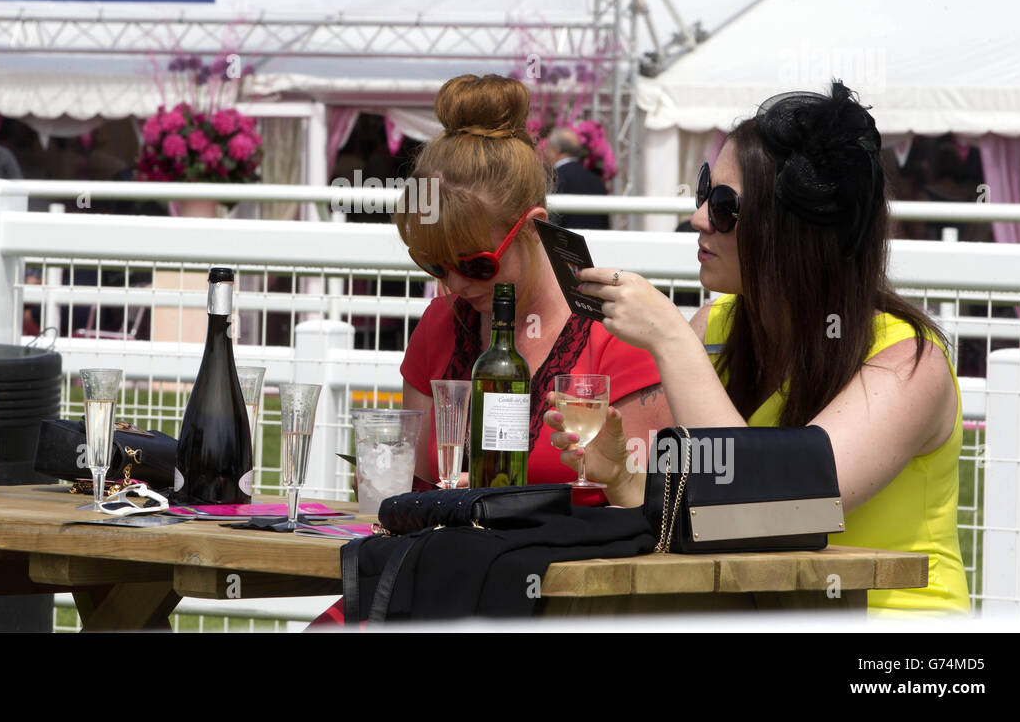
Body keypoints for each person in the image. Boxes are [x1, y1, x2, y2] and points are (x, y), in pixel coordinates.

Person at [549, 80, 969, 615]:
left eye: (724, 205)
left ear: (794, 232)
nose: (699, 216)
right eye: (705, 190)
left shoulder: (908, 363)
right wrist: (622, 477)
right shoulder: (718, 326)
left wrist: (670, 340)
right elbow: (697, 518)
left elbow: (772, 508)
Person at [396, 74, 670, 490]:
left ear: (533, 227)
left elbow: (653, 503)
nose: (454, 284)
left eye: (475, 265)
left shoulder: (617, 332)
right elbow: (410, 488)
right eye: (435, 264)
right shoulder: (439, 323)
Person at [545, 127, 610, 230]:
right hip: (594, 244)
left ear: (556, 151)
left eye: (548, 148)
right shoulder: (597, 181)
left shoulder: (552, 179)